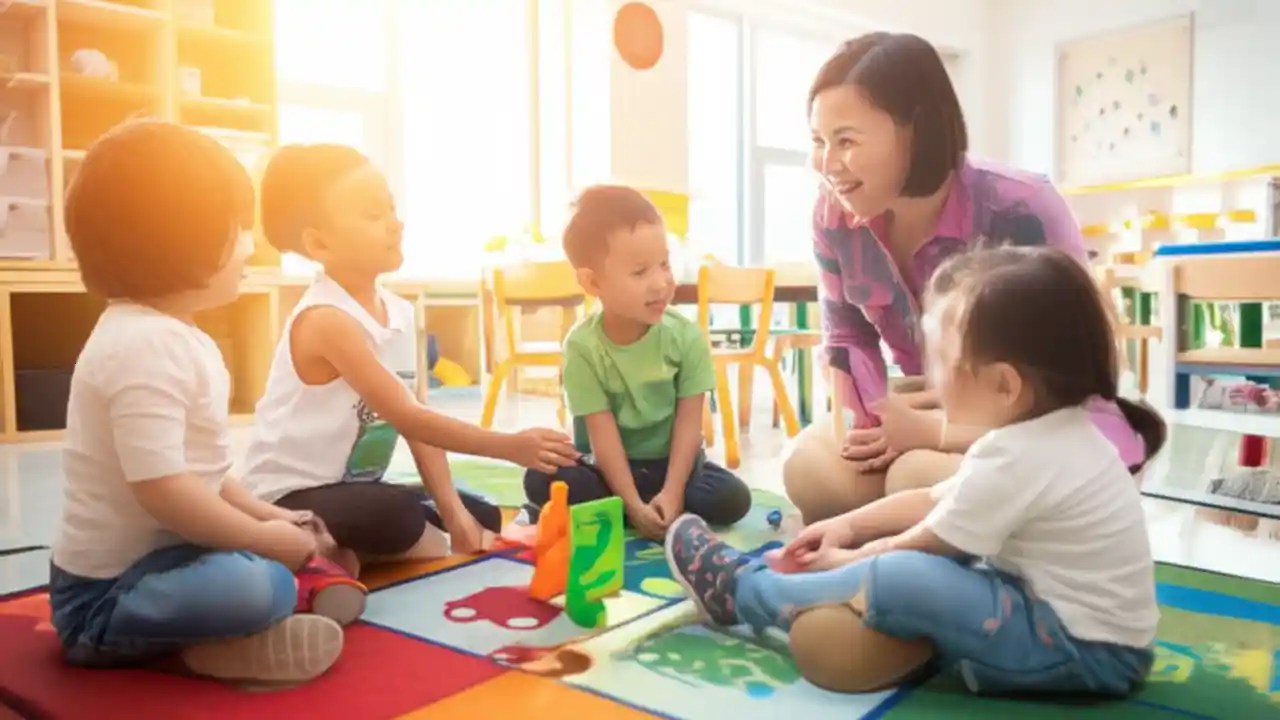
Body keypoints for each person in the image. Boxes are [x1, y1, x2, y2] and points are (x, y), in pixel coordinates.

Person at [664, 246, 1165, 696]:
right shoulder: (1047, 434)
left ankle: (740, 592)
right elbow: (934, 499)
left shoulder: (1022, 455)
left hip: (1080, 653)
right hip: (1079, 636)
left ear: (1004, 385)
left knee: (903, 573)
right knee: (929, 569)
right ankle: (896, 634)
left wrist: (841, 561)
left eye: (942, 360)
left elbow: (921, 542)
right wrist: (848, 525)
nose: (929, 375)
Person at [785, 31, 1147, 523]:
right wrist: (874, 425)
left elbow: (1076, 376)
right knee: (809, 470)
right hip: (928, 400)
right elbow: (846, 337)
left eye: (845, 141)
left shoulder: (1023, 207)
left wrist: (943, 433)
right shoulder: (832, 217)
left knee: (915, 477)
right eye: (818, 141)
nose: (826, 165)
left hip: (1036, 418)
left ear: (916, 130)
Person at [49, 121, 349, 684]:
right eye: (234, 229)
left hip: (165, 564)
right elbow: (165, 491)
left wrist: (271, 515)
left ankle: (229, 634)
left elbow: (204, 475)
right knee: (262, 583)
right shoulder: (141, 344)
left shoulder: (177, 336)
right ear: (176, 241)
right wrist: (263, 540)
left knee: (289, 556)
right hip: (104, 600)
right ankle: (200, 651)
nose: (247, 245)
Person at [239, 144, 579, 565]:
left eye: (391, 210)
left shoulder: (399, 313)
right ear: (319, 243)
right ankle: (311, 547)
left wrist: (454, 513)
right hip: (287, 496)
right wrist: (508, 445)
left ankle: (341, 554)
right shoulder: (327, 319)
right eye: (372, 215)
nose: (394, 225)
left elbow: (421, 426)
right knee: (397, 517)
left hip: (351, 492)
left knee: (481, 511)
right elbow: (409, 417)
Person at [522, 186, 752, 540]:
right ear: (592, 282)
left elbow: (690, 425)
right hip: (607, 469)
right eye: (641, 271)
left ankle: (640, 510)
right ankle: (636, 511)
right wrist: (631, 502)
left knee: (732, 498)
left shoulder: (686, 336)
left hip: (673, 466)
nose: (661, 282)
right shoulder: (582, 347)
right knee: (541, 478)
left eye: (664, 264)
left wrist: (673, 491)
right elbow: (602, 437)